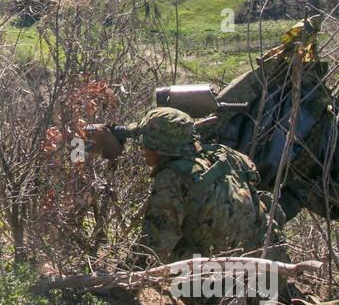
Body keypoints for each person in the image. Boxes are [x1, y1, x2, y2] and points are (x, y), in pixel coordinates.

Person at [85, 107, 283, 265]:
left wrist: (120, 278)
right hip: (272, 260)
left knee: (176, 261)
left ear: (162, 149)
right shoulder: (222, 155)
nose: (142, 148)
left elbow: (154, 246)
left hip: (235, 280)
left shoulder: (172, 179)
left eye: (147, 143)